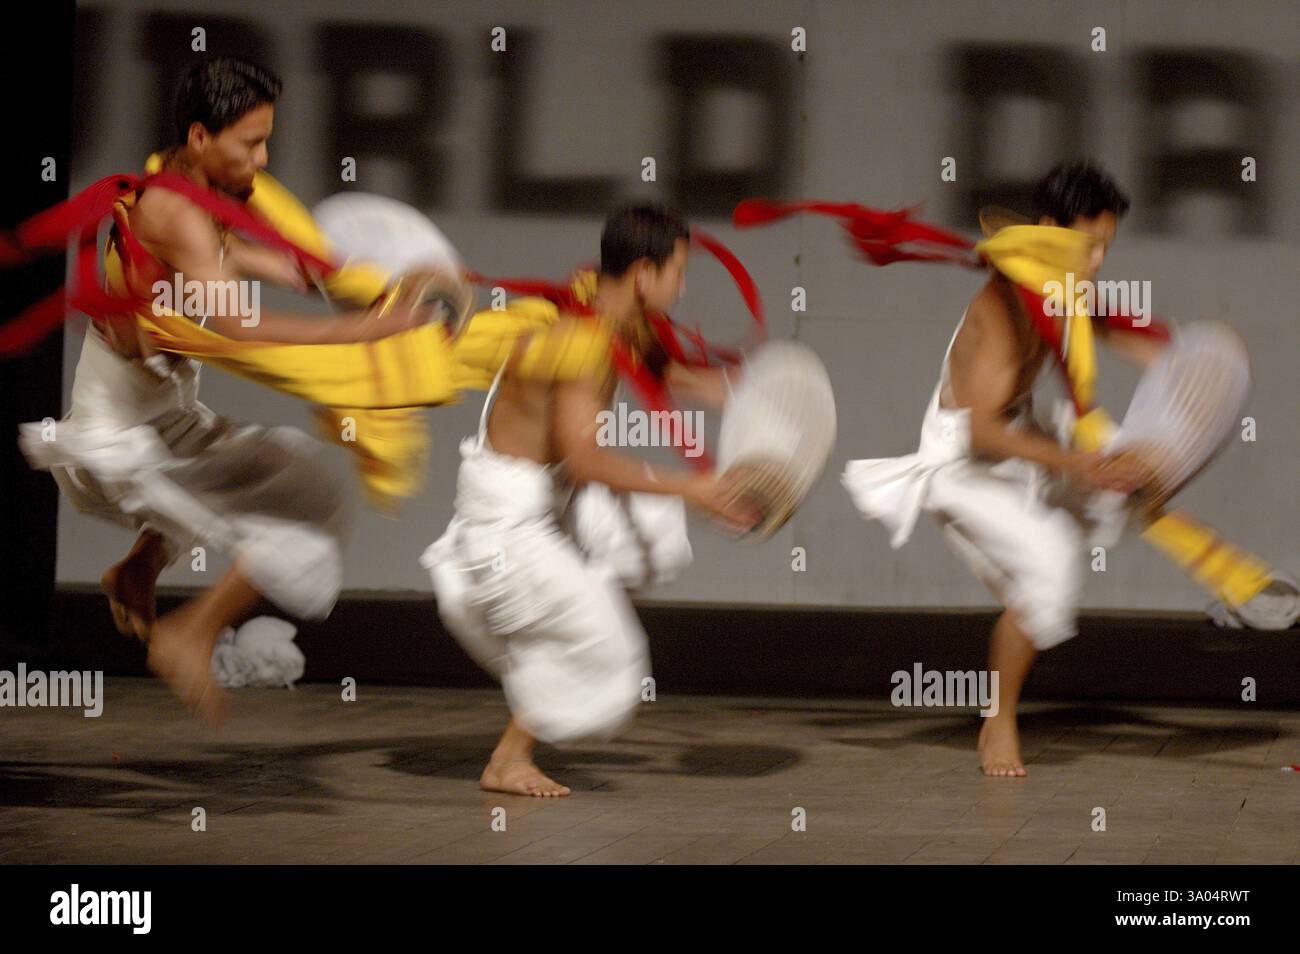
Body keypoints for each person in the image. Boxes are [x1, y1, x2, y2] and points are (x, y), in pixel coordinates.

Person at [423, 205, 756, 796]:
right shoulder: (580, 342)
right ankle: (508, 759)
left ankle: (569, 606)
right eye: (678, 273)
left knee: (654, 537)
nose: (683, 287)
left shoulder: (610, 309)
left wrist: (748, 399)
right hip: (504, 525)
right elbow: (587, 459)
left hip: (552, 499)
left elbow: (665, 370)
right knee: (614, 656)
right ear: (643, 275)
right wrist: (692, 486)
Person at [843, 163, 1164, 777]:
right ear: (1049, 230)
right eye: (1088, 246)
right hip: (961, 462)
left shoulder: (1063, 284)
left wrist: (1179, 361)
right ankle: (999, 719)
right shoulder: (1003, 307)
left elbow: (1107, 327)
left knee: (1128, 461)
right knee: (1049, 571)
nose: (1097, 263)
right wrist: (1074, 460)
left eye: (1106, 248)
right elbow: (979, 428)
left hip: (1020, 431)